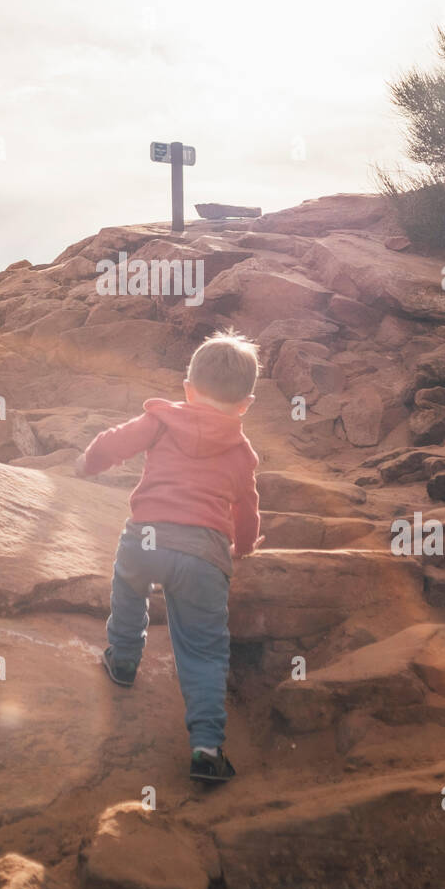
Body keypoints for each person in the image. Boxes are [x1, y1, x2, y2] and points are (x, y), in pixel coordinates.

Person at [74, 330, 262, 783]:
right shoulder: (241, 452)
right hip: (204, 554)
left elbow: (111, 443)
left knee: (128, 586)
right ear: (245, 404)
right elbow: (247, 507)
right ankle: (207, 749)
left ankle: (122, 660)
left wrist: (87, 466)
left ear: (188, 389)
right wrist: (244, 545)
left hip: (147, 539)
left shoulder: (161, 419)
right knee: (202, 650)